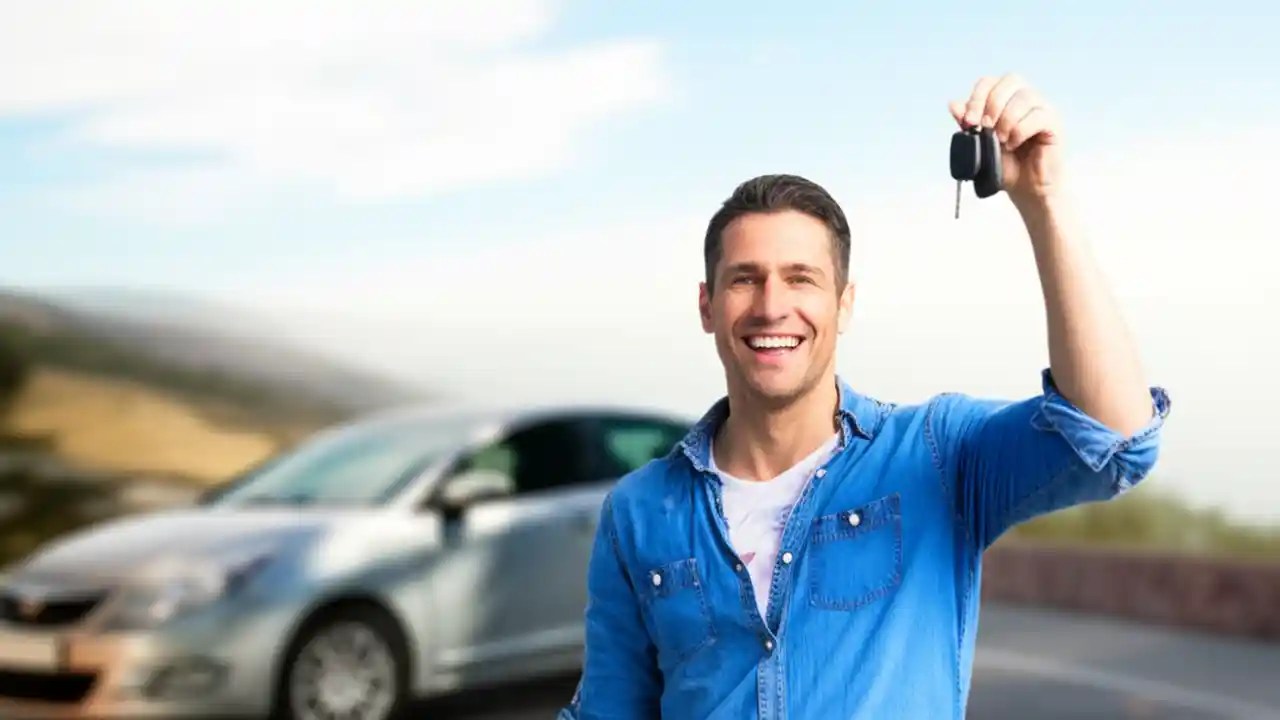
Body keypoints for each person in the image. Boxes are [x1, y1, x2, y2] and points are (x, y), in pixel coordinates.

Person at [557, 74, 1171, 719]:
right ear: (707, 305)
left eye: (802, 279)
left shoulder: (936, 456)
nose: (772, 307)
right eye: (745, 279)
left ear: (843, 304)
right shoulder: (638, 509)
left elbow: (1114, 437)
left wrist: (1044, 201)